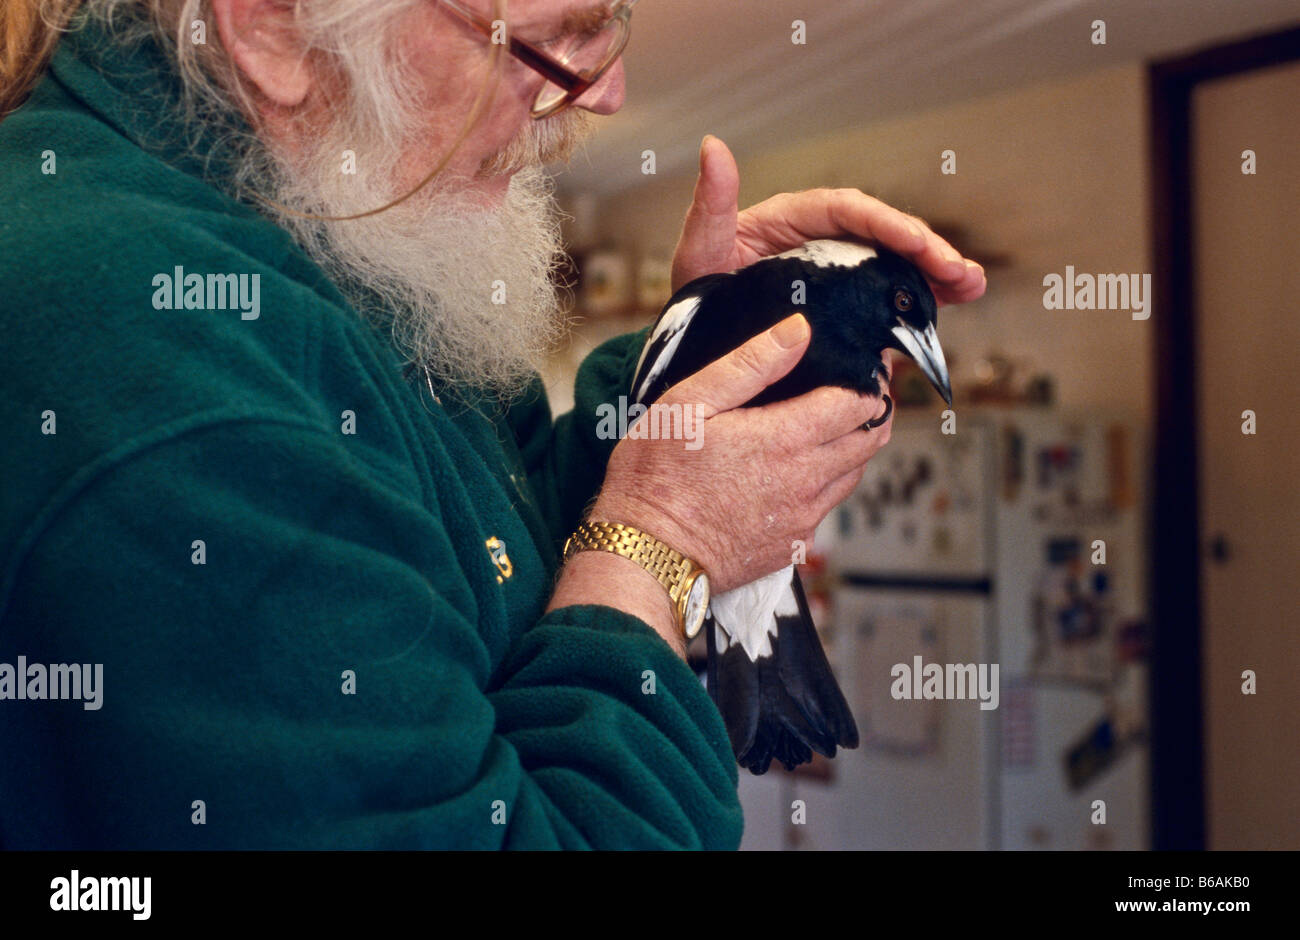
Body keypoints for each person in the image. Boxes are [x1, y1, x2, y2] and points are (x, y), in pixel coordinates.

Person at [0, 0, 985, 849]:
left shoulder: (330, 227)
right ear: (278, 29)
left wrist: (699, 348)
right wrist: (658, 543)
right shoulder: (166, 364)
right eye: (548, 44)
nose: (602, 94)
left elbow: (493, 567)